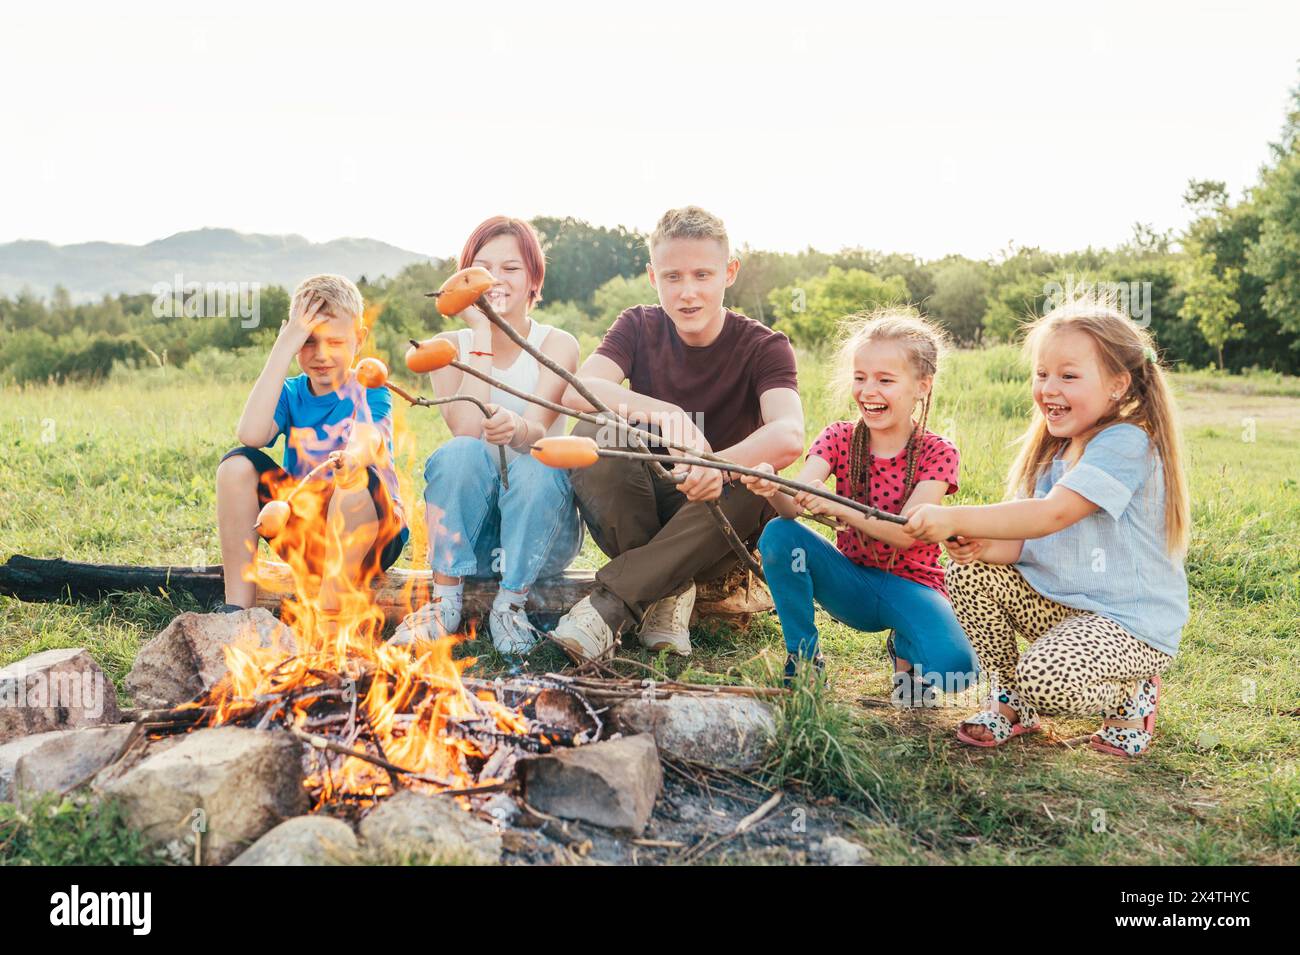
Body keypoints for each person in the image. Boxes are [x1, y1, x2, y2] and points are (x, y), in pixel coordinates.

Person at [903, 299, 1190, 756]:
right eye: (1042, 374)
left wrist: (954, 516)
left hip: (1128, 626)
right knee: (968, 572)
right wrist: (981, 545)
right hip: (1066, 610)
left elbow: (1054, 513)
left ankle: (1129, 697)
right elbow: (1028, 540)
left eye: (1068, 376)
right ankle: (1012, 701)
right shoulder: (1056, 450)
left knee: (1044, 678)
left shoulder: (1127, 442)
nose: (1048, 388)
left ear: (1118, 385)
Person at [551, 205, 805, 660]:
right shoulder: (638, 324)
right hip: (643, 503)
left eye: (702, 275)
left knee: (756, 478)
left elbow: (788, 433)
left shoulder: (765, 346)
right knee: (595, 432)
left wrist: (720, 469)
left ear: (730, 272)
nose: (688, 293)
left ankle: (611, 605)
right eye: (672, 277)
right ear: (652, 276)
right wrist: (667, 414)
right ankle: (668, 587)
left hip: (715, 519)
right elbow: (580, 390)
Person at [744, 309, 977, 697]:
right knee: (780, 534)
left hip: (912, 585)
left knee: (956, 671)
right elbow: (795, 507)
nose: (869, 391)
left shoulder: (938, 452)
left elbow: (907, 533)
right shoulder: (837, 438)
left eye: (885, 380)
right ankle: (804, 658)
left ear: (922, 385)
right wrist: (772, 487)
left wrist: (838, 507)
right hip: (849, 582)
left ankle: (904, 646)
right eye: (860, 377)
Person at [394, 216, 583, 655]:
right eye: (482, 268)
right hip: (471, 538)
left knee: (539, 459)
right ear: (463, 278)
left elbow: (536, 428)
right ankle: (445, 602)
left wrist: (516, 429)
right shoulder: (447, 347)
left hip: (540, 541)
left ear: (534, 277)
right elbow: (464, 428)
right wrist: (480, 332)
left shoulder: (557, 344)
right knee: (459, 453)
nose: (495, 280)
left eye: (511, 268)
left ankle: (511, 606)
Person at [215, 274, 408, 616]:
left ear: (358, 340)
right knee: (236, 466)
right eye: (308, 342)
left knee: (353, 479)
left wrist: (352, 457)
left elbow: (369, 435)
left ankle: (330, 616)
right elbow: (251, 435)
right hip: (306, 536)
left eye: (335, 342)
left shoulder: (370, 385)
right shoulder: (290, 393)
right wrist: (283, 347)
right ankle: (237, 610)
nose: (321, 355)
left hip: (369, 536)